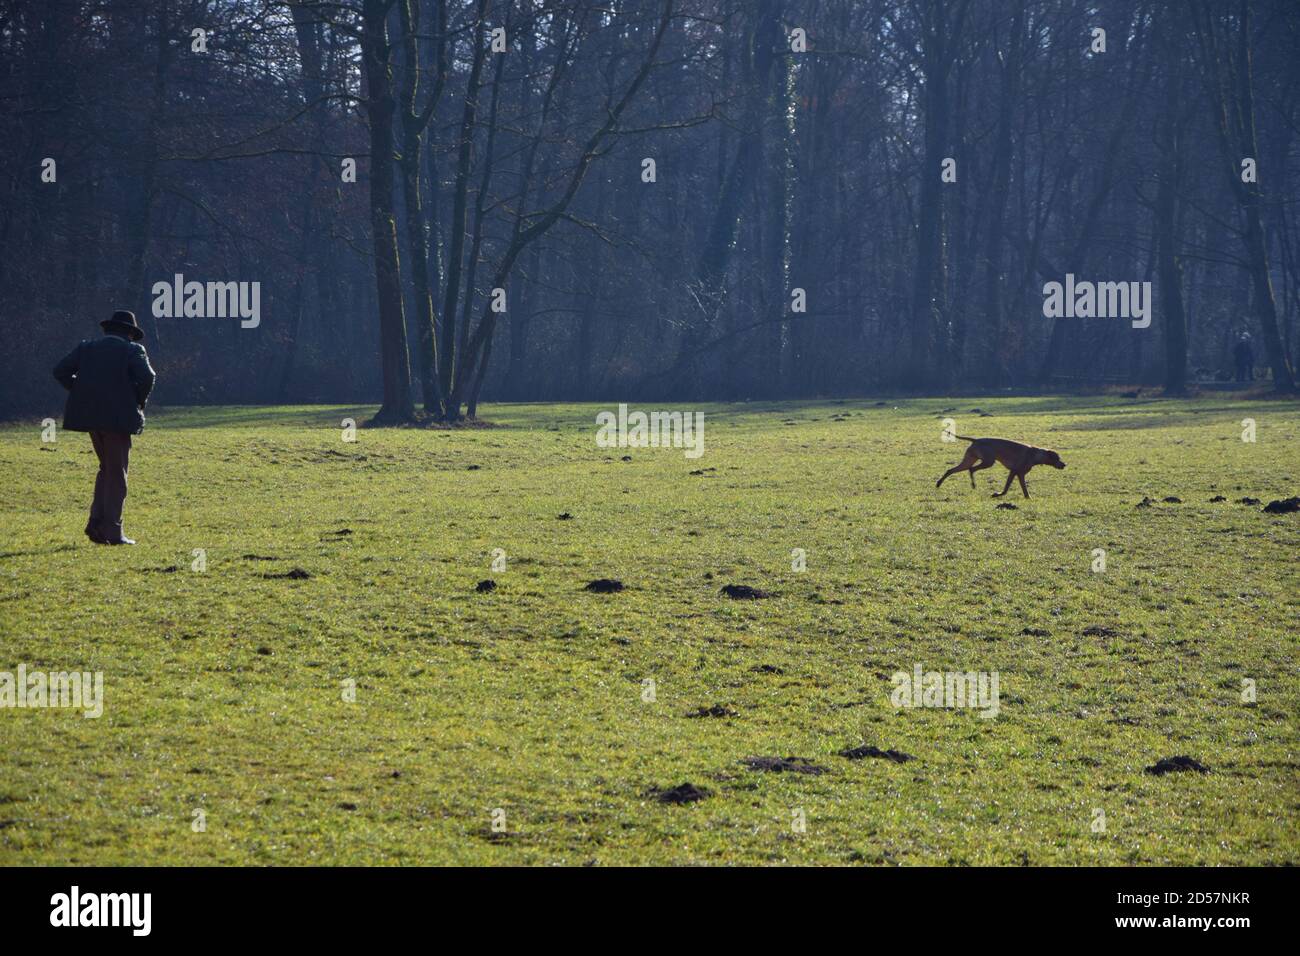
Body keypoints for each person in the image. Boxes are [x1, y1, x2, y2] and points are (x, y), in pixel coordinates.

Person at [52, 310, 156, 545]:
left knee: (106, 470)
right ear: (129, 332)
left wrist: (82, 391)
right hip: (117, 420)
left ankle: (96, 525)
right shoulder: (133, 350)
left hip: (91, 418)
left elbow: (60, 371)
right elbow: (148, 378)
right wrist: (136, 400)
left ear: (108, 329)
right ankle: (112, 531)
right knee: (117, 475)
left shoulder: (86, 348)